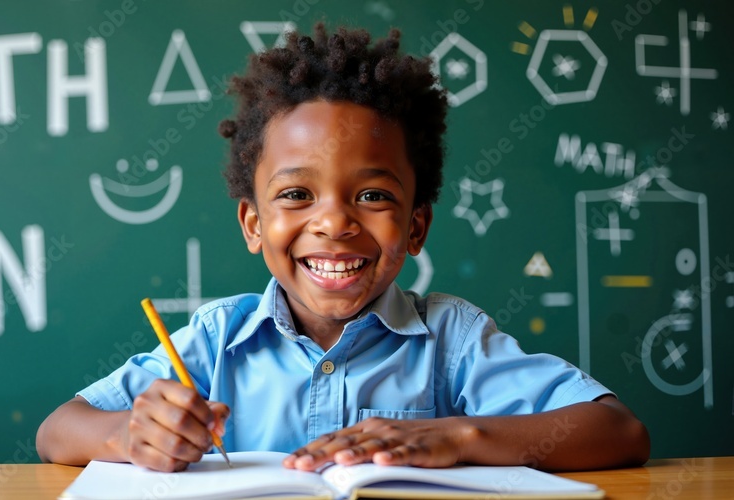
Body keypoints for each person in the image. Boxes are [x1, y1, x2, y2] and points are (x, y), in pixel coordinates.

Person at [36, 23, 650, 473]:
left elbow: (618, 430)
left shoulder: (452, 341)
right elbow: (57, 432)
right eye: (296, 194)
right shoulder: (215, 342)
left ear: (416, 226)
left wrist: (455, 438)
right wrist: (129, 435)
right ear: (253, 224)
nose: (333, 223)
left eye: (373, 196)